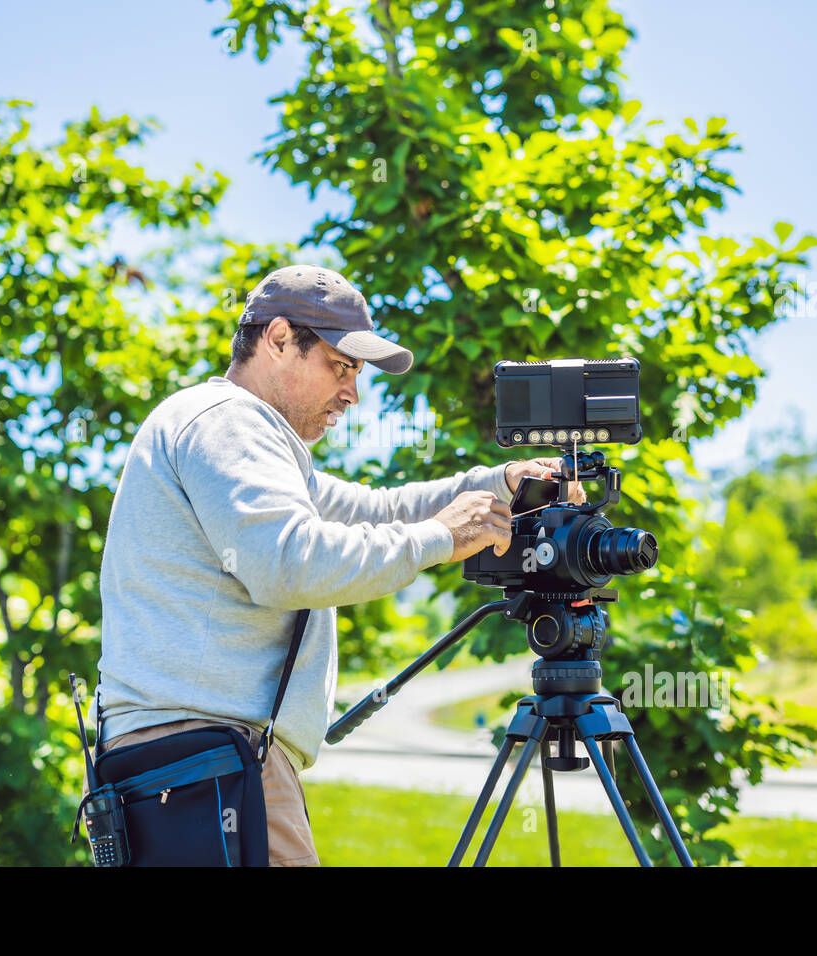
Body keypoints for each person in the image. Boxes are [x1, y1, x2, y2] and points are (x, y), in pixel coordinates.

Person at [85, 264, 582, 865]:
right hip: (207, 762)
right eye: (341, 367)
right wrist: (438, 538)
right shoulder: (229, 422)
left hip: (191, 764)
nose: (352, 394)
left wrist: (499, 483)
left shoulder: (243, 439)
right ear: (277, 339)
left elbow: (372, 511)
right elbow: (288, 562)